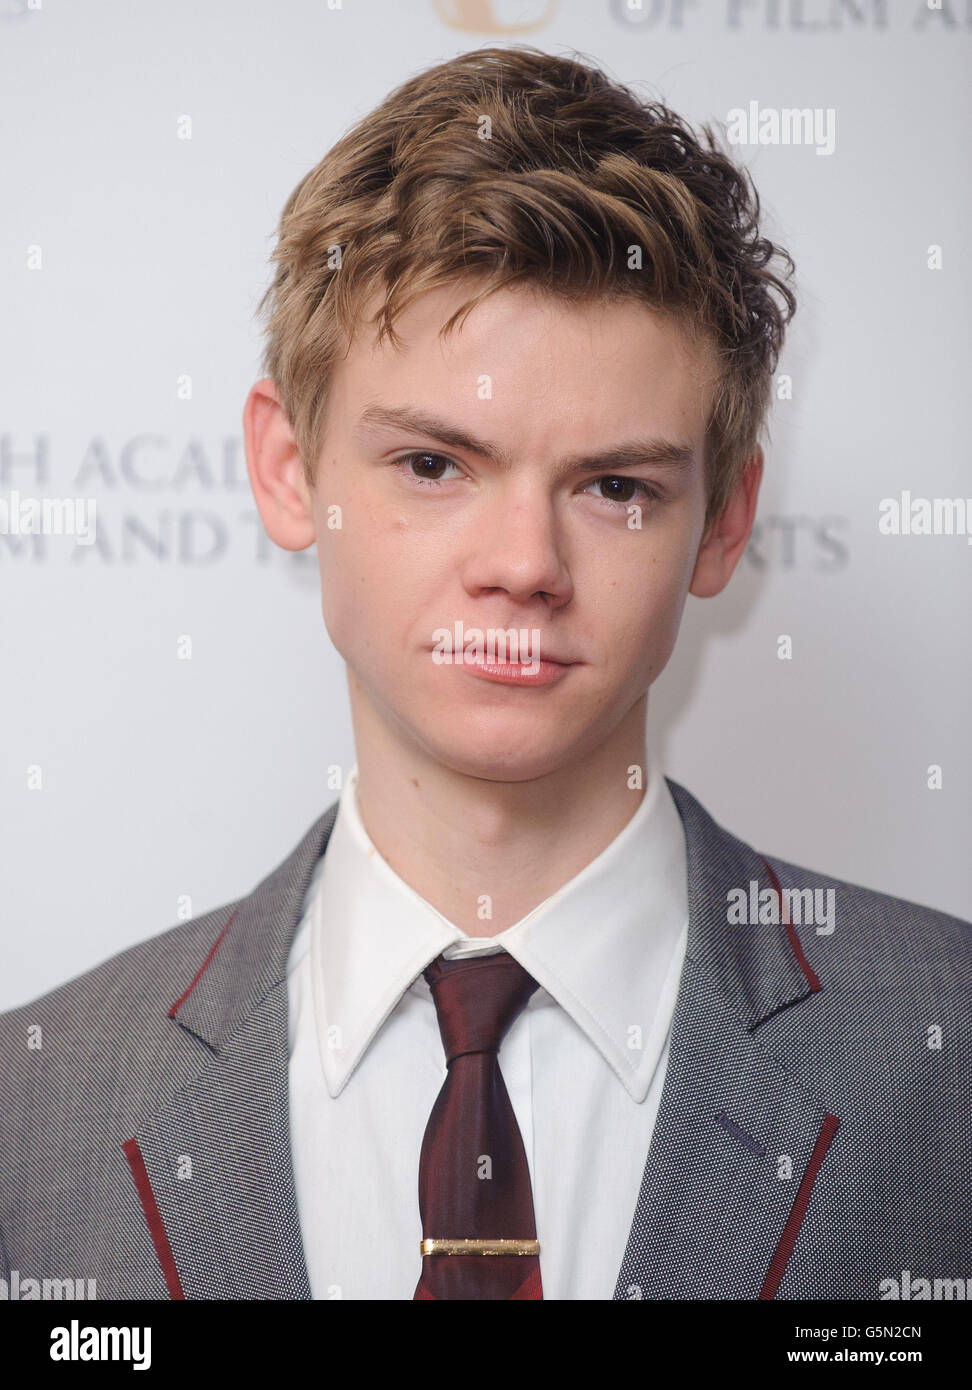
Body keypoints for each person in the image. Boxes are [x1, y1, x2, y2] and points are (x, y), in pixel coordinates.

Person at [1, 46, 968, 1303]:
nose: (524, 565)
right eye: (434, 466)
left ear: (724, 522)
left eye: (615, 486)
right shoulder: (36, 1104)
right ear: (289, 470)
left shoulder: (947, 1052)